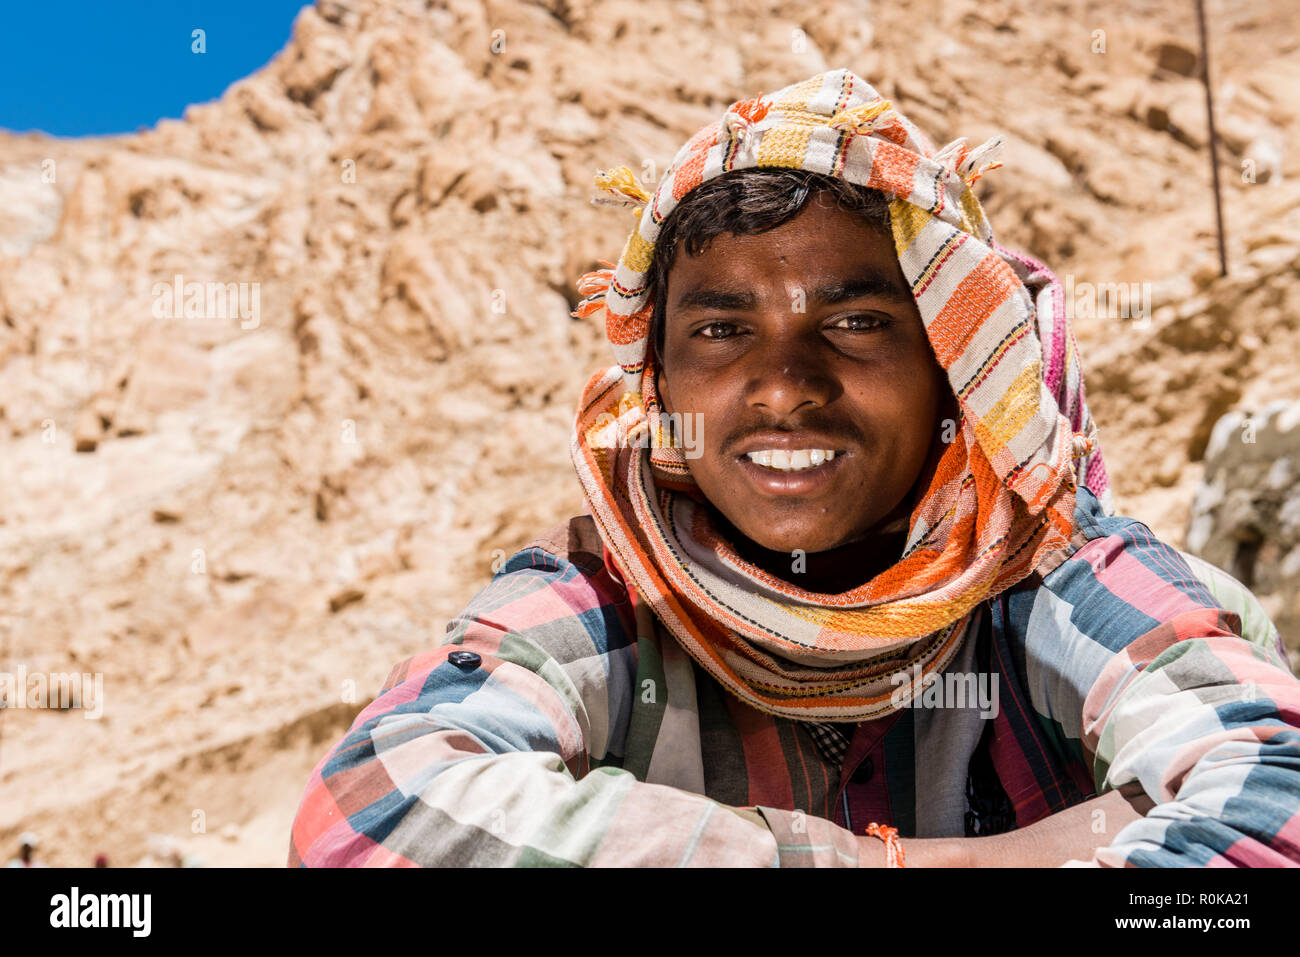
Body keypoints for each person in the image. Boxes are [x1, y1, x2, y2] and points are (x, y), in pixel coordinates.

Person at [288, 68, 1300, 867]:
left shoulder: (1058, 580)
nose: (781, 387)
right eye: (723, 330)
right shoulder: (599, 598)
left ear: (951, 371)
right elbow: (370, 813)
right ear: (660, 385)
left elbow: (1275, 805)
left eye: (855, 323)